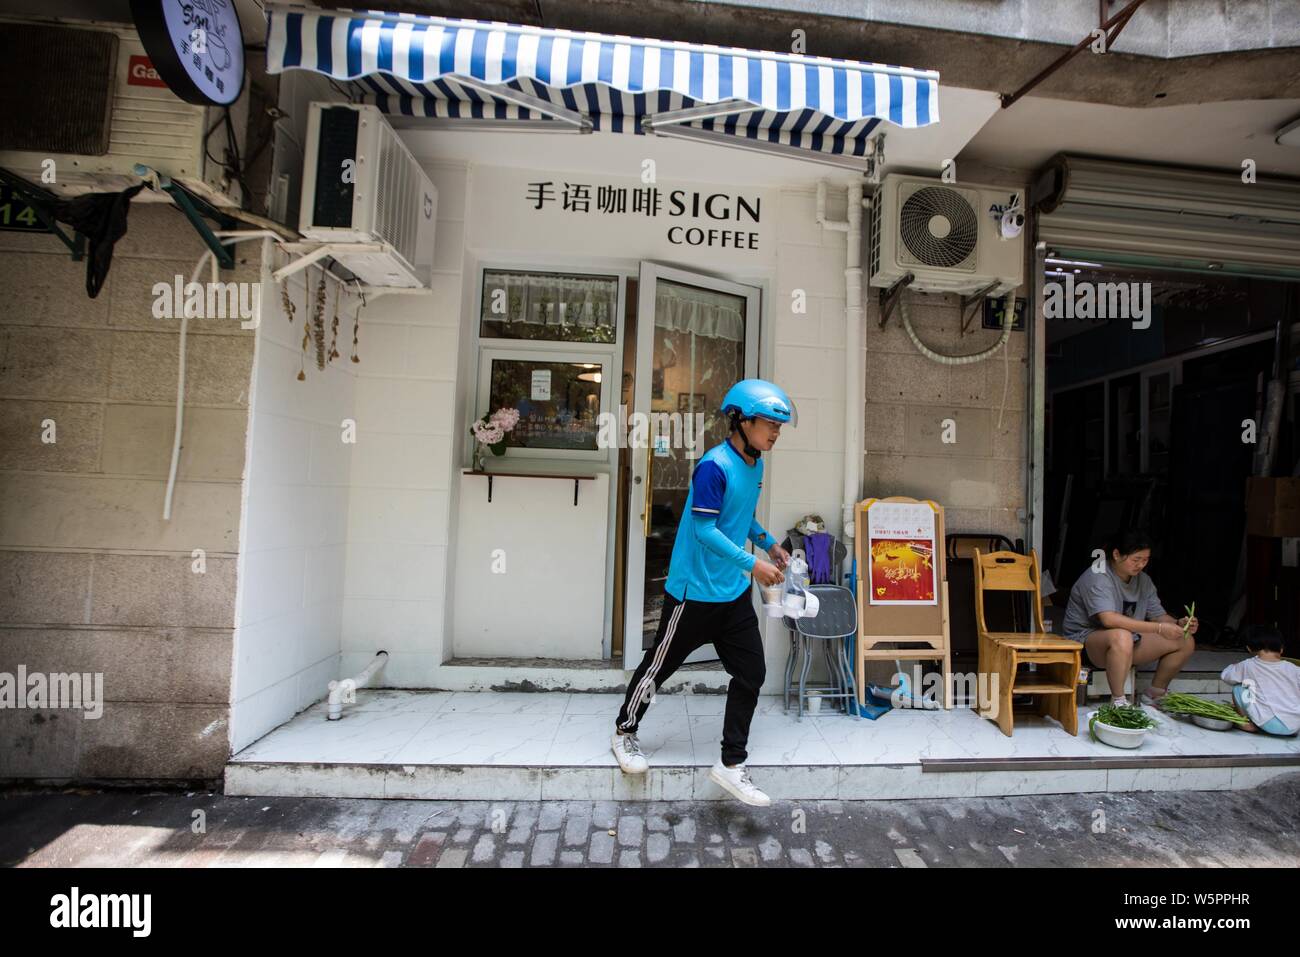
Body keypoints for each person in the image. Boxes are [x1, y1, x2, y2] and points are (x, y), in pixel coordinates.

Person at [611, 379, 795, 806]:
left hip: (731, 595)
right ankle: (624, 733)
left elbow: (741, 515)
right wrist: (755, 566)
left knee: (751, 674)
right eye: (769, 424)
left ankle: (731, 765)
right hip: (693, 594)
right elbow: (704, 529)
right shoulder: (714, 466)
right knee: (658, 669)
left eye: (779, 427)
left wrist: (768, 542)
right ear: (742, 421)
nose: (775, 433)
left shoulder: (755, 465)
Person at [1061, 529, 1197, 707]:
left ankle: (1154, 695)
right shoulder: (1098, 576)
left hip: (1127, 642)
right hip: (1085, 644)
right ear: (1116, 554)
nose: (1140, 565)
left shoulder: (1144, 581)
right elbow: (1108, 620)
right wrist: (1160, 628)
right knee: (1122, 635)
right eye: (1136, 559)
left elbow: (1158, 615)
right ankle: (1118, 701)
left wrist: (1178, 624)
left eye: (1145, 560)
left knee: (1185, 641)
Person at [1221, 625, 1300, 736]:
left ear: (1249, 648)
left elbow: (1226, 676)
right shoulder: (1294, 669)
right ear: (1281, 648)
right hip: (1295, 725)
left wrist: (1234, 666)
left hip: (1272, 725)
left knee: (1239, 688)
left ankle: (1244, 723)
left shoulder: (1248, 665)